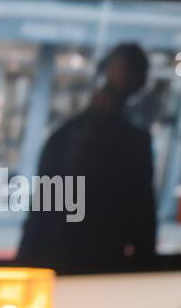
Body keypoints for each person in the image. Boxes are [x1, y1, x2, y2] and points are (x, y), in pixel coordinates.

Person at [14, 42, 157, 274]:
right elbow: (41, 211)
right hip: (61, 259)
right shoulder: (64, 138)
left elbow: (143, 216)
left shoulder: (134, 144)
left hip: (101, 263)